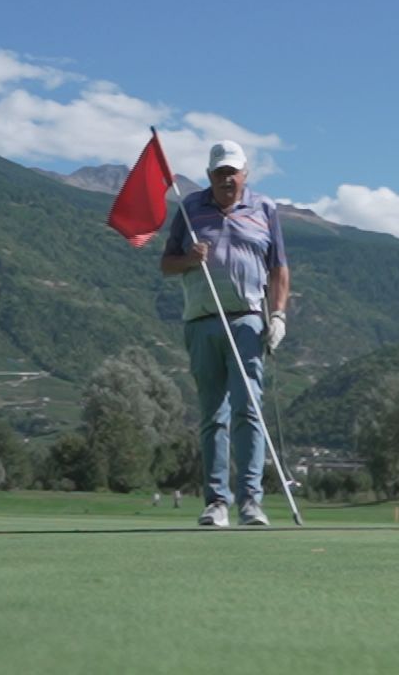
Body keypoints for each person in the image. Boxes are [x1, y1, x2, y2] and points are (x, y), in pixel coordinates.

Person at [161, 140, 290, 527]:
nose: (226, 179)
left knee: (248, 412)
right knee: (212, 416)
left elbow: (279, 269)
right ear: (209, 176)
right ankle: (217, 501)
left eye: (233, 172)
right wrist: (189, 259)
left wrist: (279, 315)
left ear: (245, 174)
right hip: (201, 320)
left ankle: (251, 502)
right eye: (220, 173)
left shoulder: (264, 208)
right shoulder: (189, 209)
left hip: (248, 320)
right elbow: (166, 264)